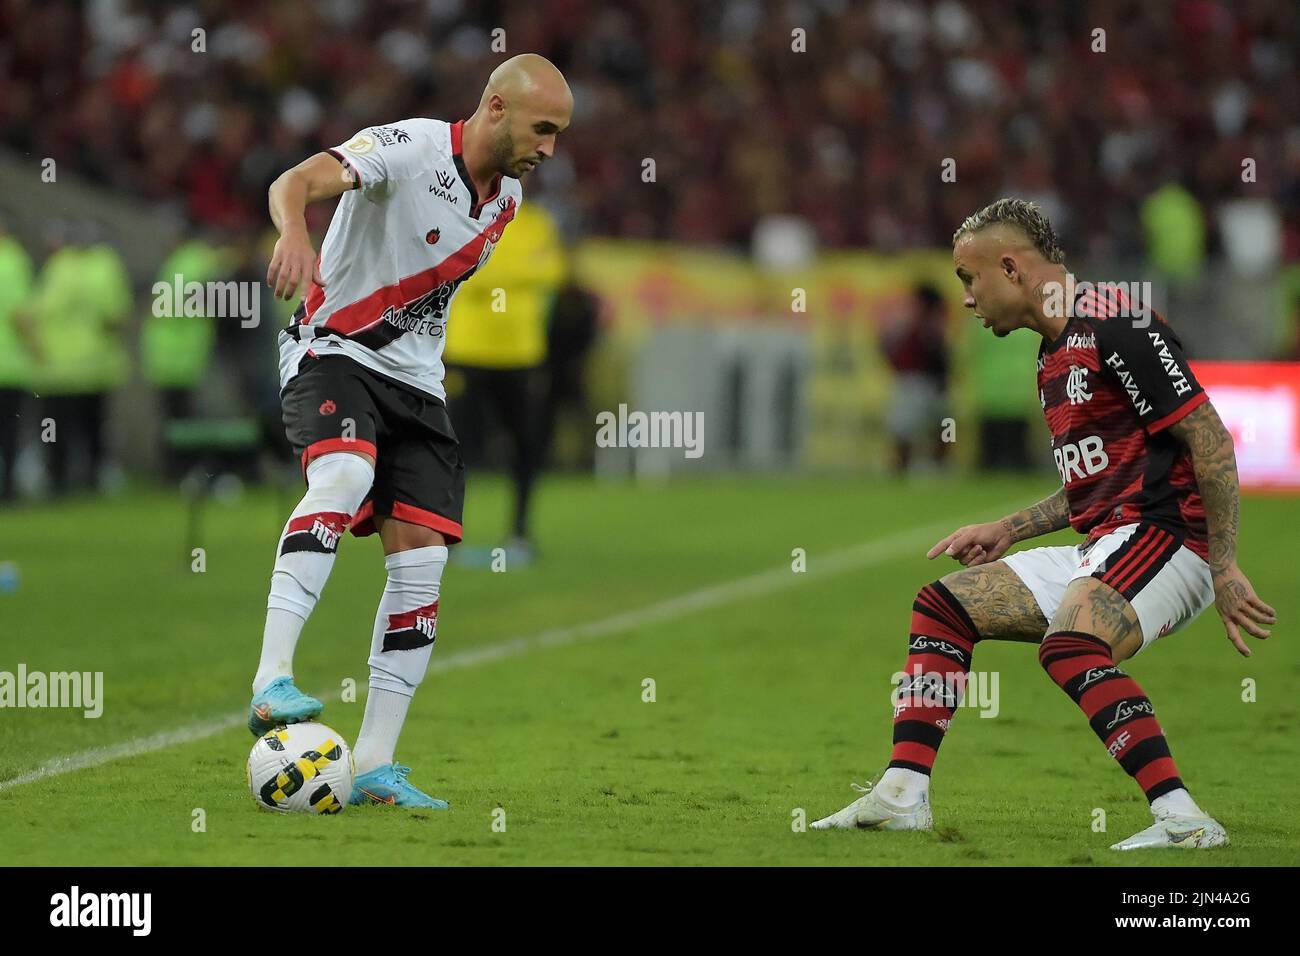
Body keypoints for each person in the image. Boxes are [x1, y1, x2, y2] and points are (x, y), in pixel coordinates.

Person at [812, 198, 1276, 850]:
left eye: (969, 279)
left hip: (1168, 540)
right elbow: (1096, 481)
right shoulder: (1051, 353)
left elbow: (1212, 441)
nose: (967, 299)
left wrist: (1223, 564)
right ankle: (901, 794)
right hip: (1109, 542)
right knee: (942, 608)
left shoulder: (1118, 325)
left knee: (1070, 648)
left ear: (1011, 268)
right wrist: (1012, 527)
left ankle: (1183, 820)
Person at [251, 54, 573, 809]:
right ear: (495, 109)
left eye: (560, 134)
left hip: (416, 383)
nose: (550, 149)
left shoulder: (509, 201)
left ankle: (373, 765)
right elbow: (292, 181)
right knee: (345, 475)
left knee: (423, 567)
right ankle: (271, 678)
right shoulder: (409, 147)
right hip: (333, 348)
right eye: (543, 129)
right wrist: (294, 232)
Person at [442, 200, 565, 558]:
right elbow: (456, 269)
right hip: (468, 351)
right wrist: (519, 272)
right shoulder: (460, 215)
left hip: (520, 353)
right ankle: (446, 534)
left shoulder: (537, 222)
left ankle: (520, 533)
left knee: (526, 444)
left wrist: (490, 269)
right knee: (453, 446)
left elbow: (553, 271)